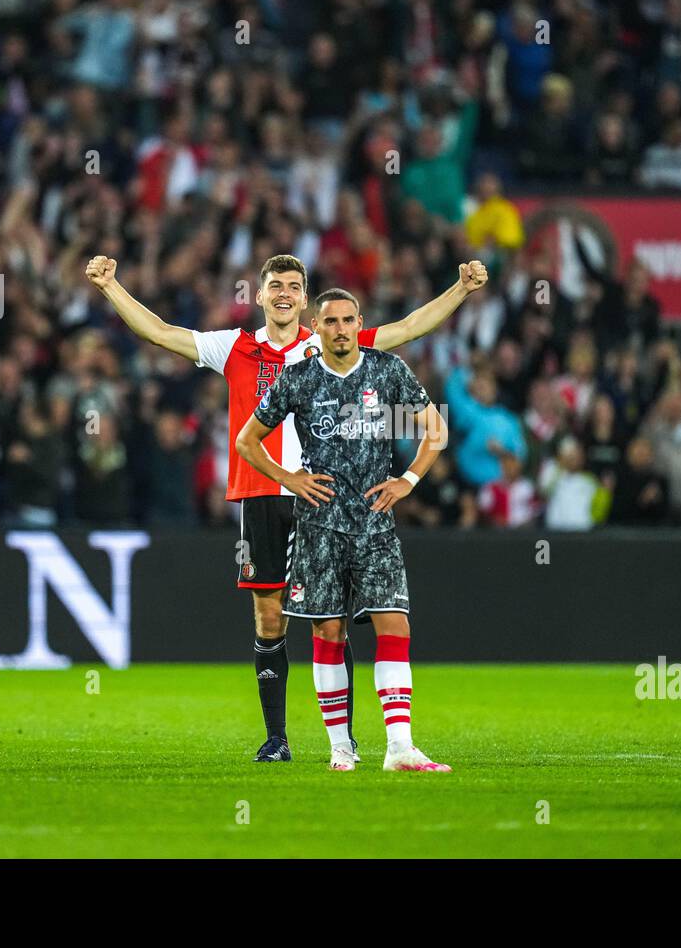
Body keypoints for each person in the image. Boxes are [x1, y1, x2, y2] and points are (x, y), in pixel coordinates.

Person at [85, 252, 487, 763]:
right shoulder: (233, 346)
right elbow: (161, 332)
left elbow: (407, 329)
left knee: (330, 617)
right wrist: (111, 287)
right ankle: (278, 739)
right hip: (261, 493)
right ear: (259, 295)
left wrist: (460, 290)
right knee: (269, 616)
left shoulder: (325, 343)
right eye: (275, 285)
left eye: (294, 286)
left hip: (324, 498)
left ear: (304, 298)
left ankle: (346, 742)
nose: (284, 293)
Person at [236, 288, 452, 772]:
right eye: (330, 321)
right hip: (318, 525)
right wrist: (289, 479)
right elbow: (246, 440)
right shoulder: (299, 380)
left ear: (360, 323)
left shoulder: (387, 371)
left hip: (376, 523)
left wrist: (407, 479)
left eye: (347, 320)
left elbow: (435, 431)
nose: (339, 329)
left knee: (394, 624)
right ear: (317, 325)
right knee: (329, 633)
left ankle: (399, 747)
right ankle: (341, 749)